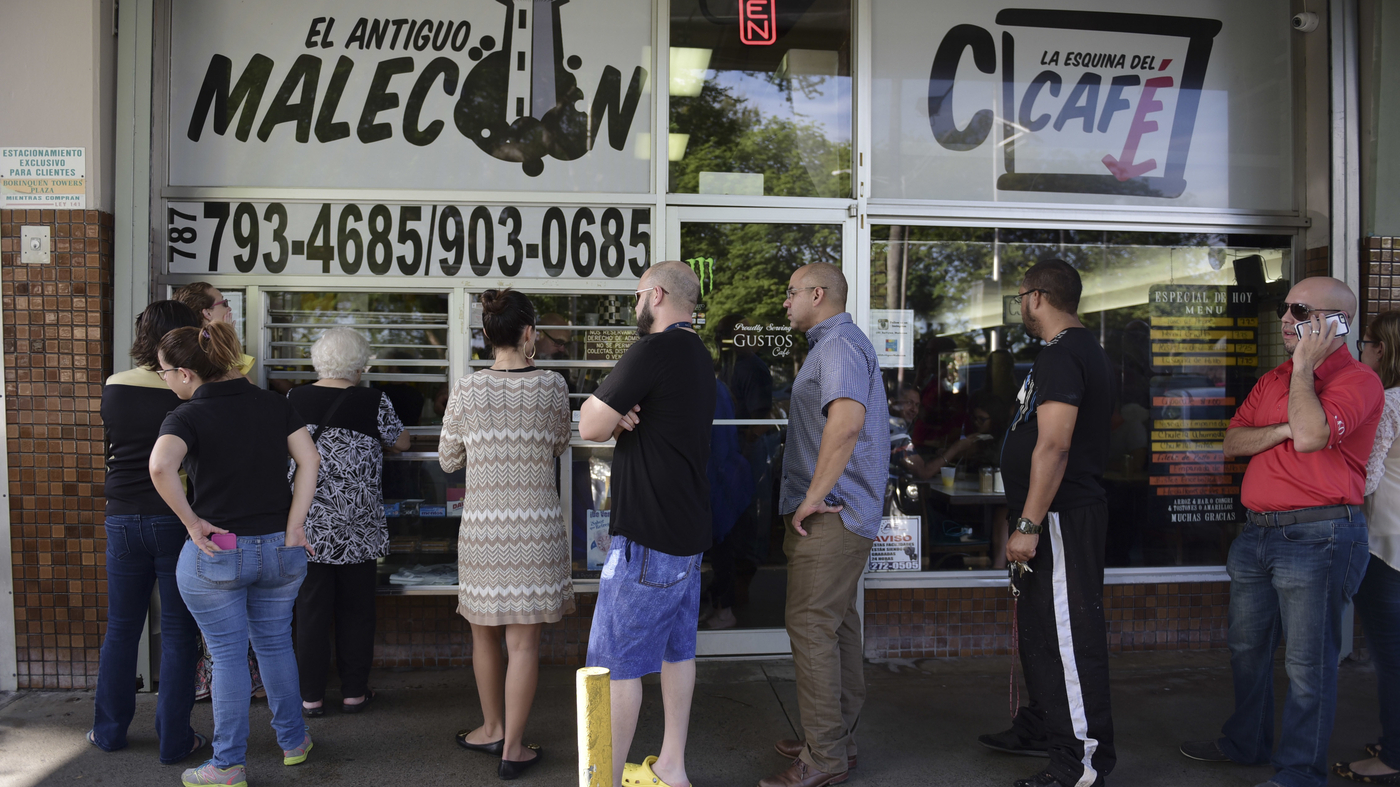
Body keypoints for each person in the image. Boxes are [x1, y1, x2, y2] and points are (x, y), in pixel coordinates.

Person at [1179, 276, 1382, 787]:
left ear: (1337, 324)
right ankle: (1245, 742)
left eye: (1300, 310)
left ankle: (1299, 772)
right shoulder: (1272, 379)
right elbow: (1232, 442)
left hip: (1320, 536)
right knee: (1246, 650)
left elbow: (1313, 436)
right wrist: (1282, 429)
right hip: (1257, 536)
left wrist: (1303, 375)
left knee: (1308, 665)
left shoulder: (1358, 381)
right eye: (1284, 309)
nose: (1286, 319)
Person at [148, 322, 322, 787]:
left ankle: (226, 765)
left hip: (218, 552)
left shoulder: (184, 418)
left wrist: (191, 522)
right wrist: (296, 522)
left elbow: (160, 466)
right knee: (275, 644)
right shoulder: (275, 404)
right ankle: (294, 741)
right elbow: (310, 460)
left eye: (164, 372)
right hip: (282, 550)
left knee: (226, 657)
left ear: (186, 373)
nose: (164, 380)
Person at [978, 259, 1115, 787]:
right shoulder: (1073, 352)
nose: (1020, 308)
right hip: (1049, 515)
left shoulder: (1064, 354)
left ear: (1037, 297)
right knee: (1040, 632)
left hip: (1058, 517)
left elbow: (1054, 445)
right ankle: (1041, 724)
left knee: (1069, 640)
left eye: (1019, 299)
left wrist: (1030, 525)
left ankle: (1081, 764)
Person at [579, 261, 714, 787]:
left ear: (655, 295)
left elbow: (591, 422)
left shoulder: (652, 350)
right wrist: (624, 409)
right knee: (679, 652)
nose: (634, 306)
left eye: (637, 295)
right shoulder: (698, 355)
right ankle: (671, 767)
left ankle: (605, 781)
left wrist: (614, 410)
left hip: (647, 537)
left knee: (616, 666)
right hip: (686, 533)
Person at [760, 262, 889, 787]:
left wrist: (811, 500)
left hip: (832, 516)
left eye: (791, 293)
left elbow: (847, 422)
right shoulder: (836, 344)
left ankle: (824, 759)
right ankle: (832, 738)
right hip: (844, 514)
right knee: (835, 628)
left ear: (819, 294)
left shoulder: (836, 346)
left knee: (813, 628)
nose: (785, 302)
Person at [440, 289, 573, 780]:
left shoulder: (468, 389)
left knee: (483, 637)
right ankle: (513, 747)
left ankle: (491, 726)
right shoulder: (552, 387)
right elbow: (560, 442)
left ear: (487, 336)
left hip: (482, 531)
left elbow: (448, 458)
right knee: (523, 645)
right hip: (535, 530)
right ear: (528, 333)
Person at [89, 301, 207, 763]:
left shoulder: (115, 386)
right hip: (175, 519)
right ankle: (174, 741)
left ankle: (109, 731)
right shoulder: (186, 390)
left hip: (120, 517)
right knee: (178, 633)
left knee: (121, 628)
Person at [288, 327, 410, 717]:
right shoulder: (373, 400)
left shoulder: (294, 398)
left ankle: (311, 697)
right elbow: (402, 442)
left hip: (309, 523)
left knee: (309, 612)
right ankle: (355, 693)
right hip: (358, 525)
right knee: (357, 612)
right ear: (359, 365)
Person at [1334, 310, 1400, 784]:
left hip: (1386, 544)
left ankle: (1394, 756)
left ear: (1382, 349)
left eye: (1366, 344)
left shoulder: (1388, 403)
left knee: (1392, 655)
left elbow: (1365, 478)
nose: (1363, 352)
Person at [173, 281, 254, 377]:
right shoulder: (204, 355)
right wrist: (226, 337)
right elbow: (245, 388)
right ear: (207, 313)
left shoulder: (181, 347)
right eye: (224, 303)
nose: (229, 308)